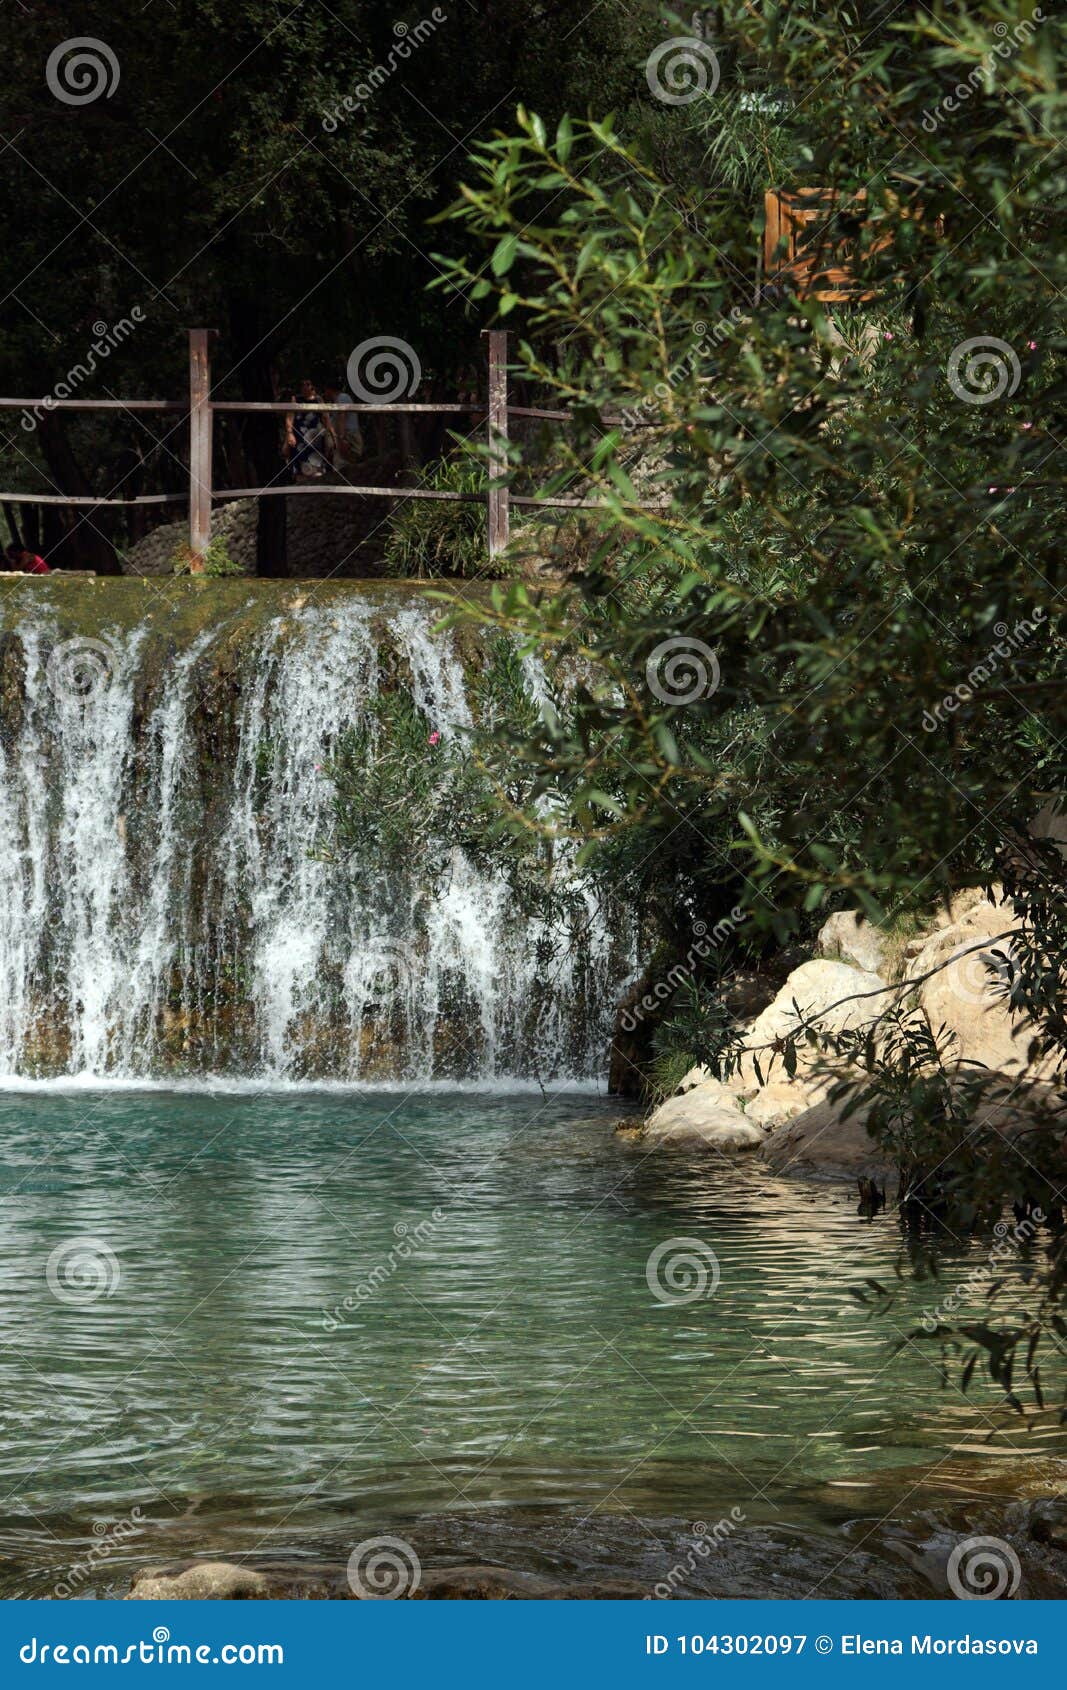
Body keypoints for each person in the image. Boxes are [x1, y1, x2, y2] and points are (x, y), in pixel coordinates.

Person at [284, 379, 336, 480]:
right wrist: (290, 433)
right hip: (299, 435)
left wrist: (332, 434)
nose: (305, 387)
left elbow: (325, 418)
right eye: (303, 384)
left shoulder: (318, 400)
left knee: (317, 462)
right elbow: (289, 417)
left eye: (308, 384)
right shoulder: (295, 399)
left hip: (316, 436)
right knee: (299, 460)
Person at [322, 380, 364, 467]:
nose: (325, 393)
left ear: (329, 390)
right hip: (345, 434)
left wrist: (342, 439)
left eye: (325, 390)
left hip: (348, 434)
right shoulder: (338, 399)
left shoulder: (342, 397)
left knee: (344, 464)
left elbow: (342, 418)